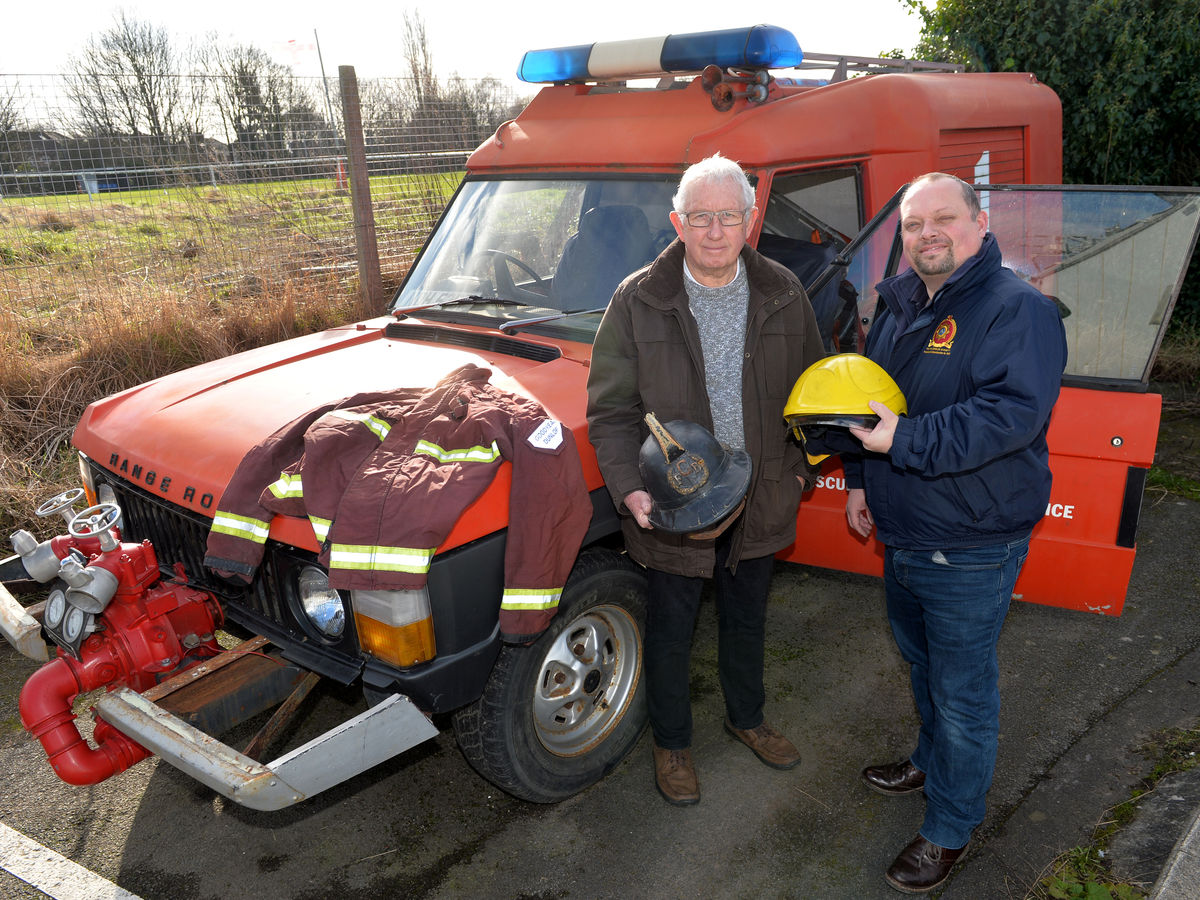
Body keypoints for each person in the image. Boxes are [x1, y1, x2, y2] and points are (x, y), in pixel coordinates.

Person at [843, 172, 1067, 892]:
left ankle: (949, 827)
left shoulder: (1017, 309)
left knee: (964, 690)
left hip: (972, 541)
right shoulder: (901, 301)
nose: (927, 234)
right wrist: (858, 482)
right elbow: (868, 401)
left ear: (978, 224)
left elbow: (1007, 418)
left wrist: (900, 442)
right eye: (914, 225)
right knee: (923, 666)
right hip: (904, 528)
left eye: (944, 218)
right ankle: (928, 759)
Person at [586, 153, 825, 806]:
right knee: (670, 629)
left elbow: (815, 390)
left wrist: (799, 473)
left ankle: (747, 719)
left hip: (761, 495)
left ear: (750, 219)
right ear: (678, 222)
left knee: (748, 621)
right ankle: (673, 745)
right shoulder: (638, 299)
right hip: (676, 500)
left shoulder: (783, 291)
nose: (715, 230)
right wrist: (627, 486)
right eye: (701, 217)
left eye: (727, 216)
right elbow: (610, 409)